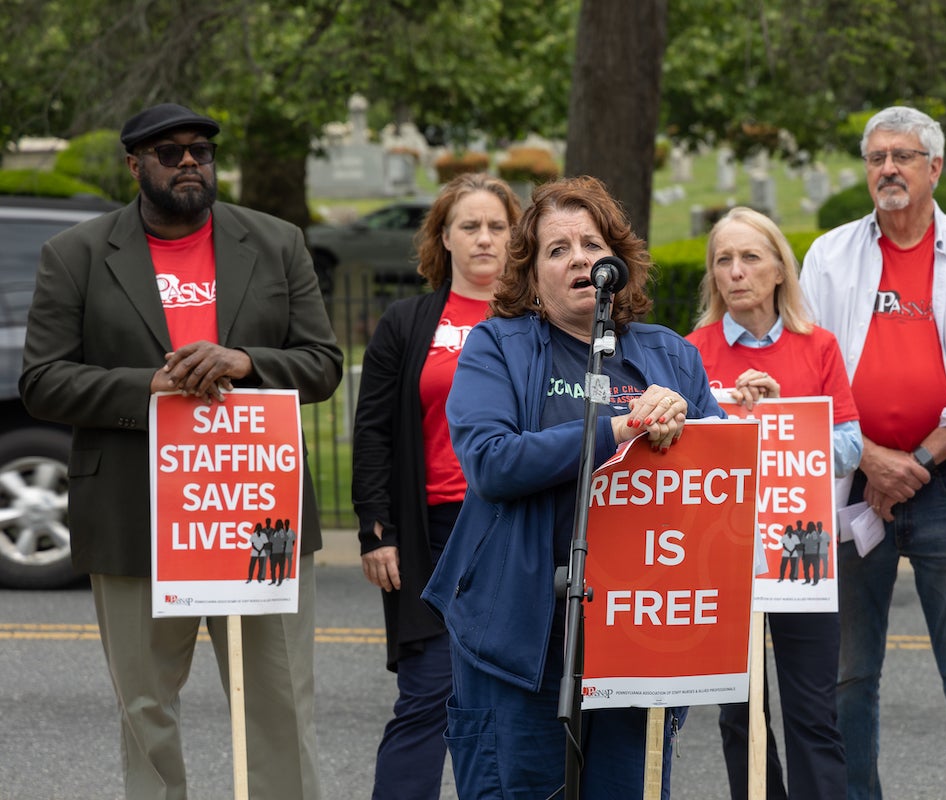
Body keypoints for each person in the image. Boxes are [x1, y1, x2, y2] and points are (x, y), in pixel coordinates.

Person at [20, 102, 342, 799]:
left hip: (258, 510)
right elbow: (42, 380)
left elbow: (322, 363)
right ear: (135, 166)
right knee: (146, 712)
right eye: (169, 152)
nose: (190, 160)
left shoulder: (277, 241)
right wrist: (154, 386)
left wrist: (244, 362)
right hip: (136, 513)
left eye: (201, 148)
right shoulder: (76, 254)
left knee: (279, 707)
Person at [421, 175, 724, 799]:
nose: (580, 258)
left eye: (592, 243)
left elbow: (718, 477)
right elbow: (490, 461)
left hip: (638, 637)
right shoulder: (495, 346)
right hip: (520, 636)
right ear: (533, 278)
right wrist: (619, 426)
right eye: (558, 250)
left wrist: (692, 425)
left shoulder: (670, 356)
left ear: (618, 259)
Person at [798, 106, 946, 799]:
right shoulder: (828, 255)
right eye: (877, 157)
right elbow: (811, 372)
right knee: (849, 670)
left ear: (935, 168)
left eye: (904, 156)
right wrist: (871, 462)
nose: (888, 169)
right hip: (853, 485)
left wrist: (913, 461)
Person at [351, 172, 521, 800]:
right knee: (428, 692)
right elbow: (373, 432)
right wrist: (377, 529)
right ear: (443, 238)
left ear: (516, 238)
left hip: (514, 530)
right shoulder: (407, 323)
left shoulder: (537, 322)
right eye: (469, 226)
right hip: (431, 533)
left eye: (497, 227)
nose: (484, 239)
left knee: (510, 699)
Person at [687, 205, 862, 799]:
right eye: (723, 261)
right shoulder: (691, 351)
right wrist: (731, 413)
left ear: (780, 269)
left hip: (801, 544)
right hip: (722, 551)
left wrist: (785, 413)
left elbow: (850, 447)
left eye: (750, 257)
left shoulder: (818, 347)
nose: (735, 272)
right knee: (740, 716)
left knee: (813, 714)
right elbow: (674, 453)